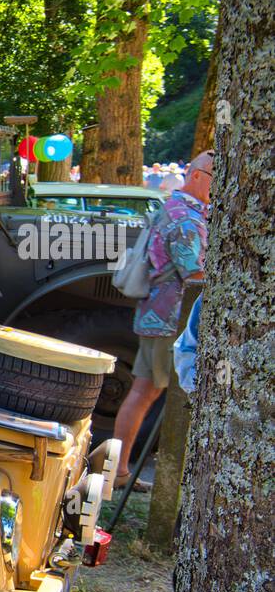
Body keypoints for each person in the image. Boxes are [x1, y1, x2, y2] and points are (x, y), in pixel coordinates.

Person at [112, 150, 213, 487]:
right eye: (217, 177)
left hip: (158, 316)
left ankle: (119, 470)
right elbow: (196, 273)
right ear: (197, 175)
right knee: (151, 393)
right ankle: (122, 472)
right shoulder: (186, 216)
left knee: (142, 392)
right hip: (171, 321)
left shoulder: (174, 208)